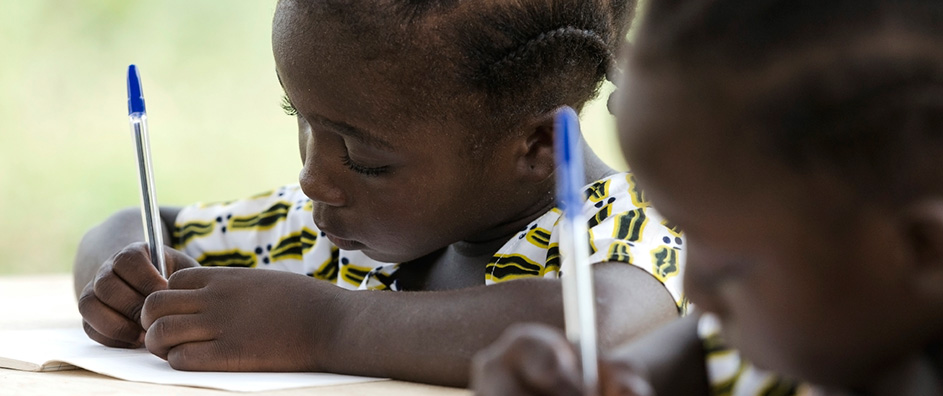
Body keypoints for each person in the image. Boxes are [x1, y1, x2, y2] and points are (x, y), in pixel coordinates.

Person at [73, 0, 687, 387]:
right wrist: (130, 275)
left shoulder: (628, 224)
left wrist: (321, 326)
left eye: (363, 159)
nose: (314, 177)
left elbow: (596, 324)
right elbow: (139, 220)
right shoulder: (338, 230)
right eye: (300, 118)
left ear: (536, 146)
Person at [471, 0, 943, 394]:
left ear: (925, 250)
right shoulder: (834, 336)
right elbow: (698, 341)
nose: (693, 290)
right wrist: (624, 375)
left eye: (729, 266)